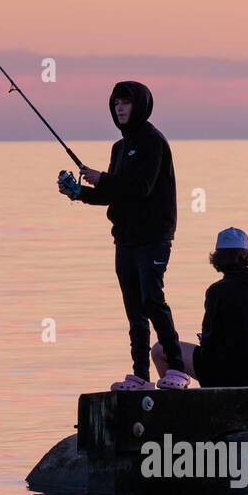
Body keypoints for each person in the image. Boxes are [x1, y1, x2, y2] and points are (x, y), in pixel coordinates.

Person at [58, 80, 190, 391]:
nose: (119, 108)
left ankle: (177, 370)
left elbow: (140, 188)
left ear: (140, 105)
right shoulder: (119, 148)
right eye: (116, 102)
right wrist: (79, 193)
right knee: (133, 307)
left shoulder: (153, 142)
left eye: (126, 102)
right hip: (126, 238)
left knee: (152, 300)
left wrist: (103, 179)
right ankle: (140, 375)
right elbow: (114, 195)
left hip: (154, 236)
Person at [152, 227, 248, 387]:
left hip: (227, 373)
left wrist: (206, 340)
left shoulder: (218, 290)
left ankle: (177, 402)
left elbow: (210, 340)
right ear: (247, 256)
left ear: (217, 259)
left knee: (160, 350)